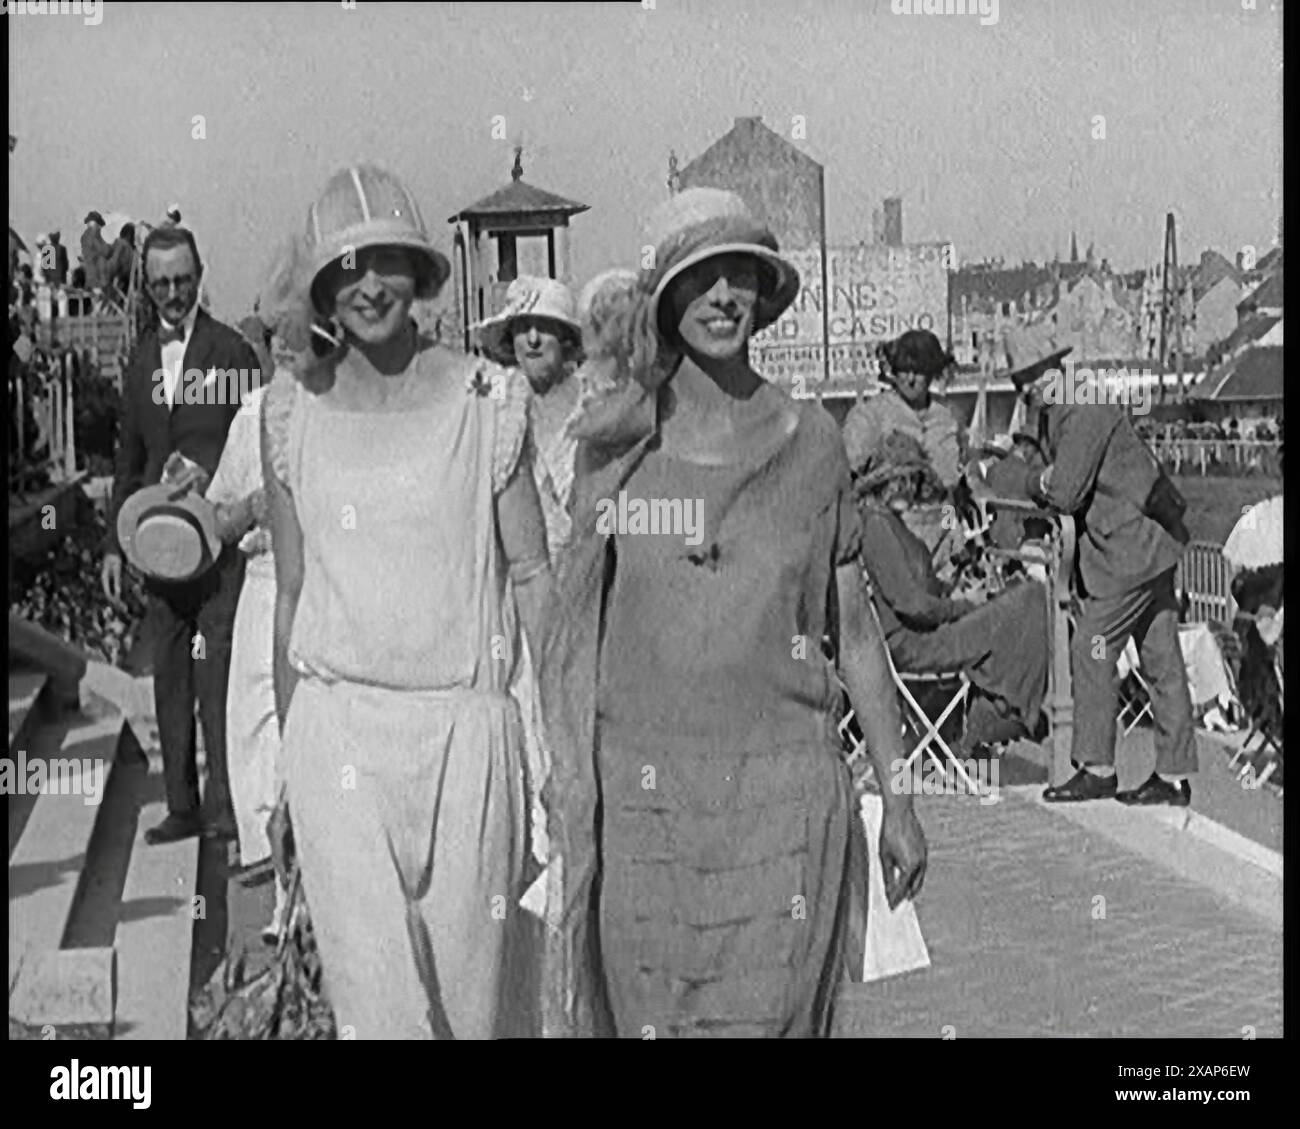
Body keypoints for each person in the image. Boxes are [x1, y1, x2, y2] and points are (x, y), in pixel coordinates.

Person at [539, 187, 926, 1038]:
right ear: (666, 298)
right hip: (644, 810)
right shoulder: (615, 449)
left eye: (738, 276)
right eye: (698, 276)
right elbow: (571, 634)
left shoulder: (813, 444)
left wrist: (899, 797)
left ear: (761, 290)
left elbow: (854, 633)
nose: (722, 297)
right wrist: (564, 776)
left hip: (778, 807)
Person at [260, 164, 551, 1039]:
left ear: (420, 274)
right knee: (381, 1015)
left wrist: (565, 742)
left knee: (474, 1011)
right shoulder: (288, 413)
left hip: (467, 740)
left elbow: (533, 574)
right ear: (319, 286)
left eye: (386, 261)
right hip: (337, 737)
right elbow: (292, 593)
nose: (368, 286)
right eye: (345, 268)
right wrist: (284, 775)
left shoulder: (486, 400)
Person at [974, 323, 1197, 806]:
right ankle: (1175, 773)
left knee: (1091, 648)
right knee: (1161, 662)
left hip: (1125, 553)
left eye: (1030, 378)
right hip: (1152, 543)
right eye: (1020, 383)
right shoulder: (1073, 403)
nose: (1026, 390)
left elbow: (1064, 492)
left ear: (1053, 368)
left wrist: (1019, 476)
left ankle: (1097, 768)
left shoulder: (1080, 411)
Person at [101, 224, 260, 844]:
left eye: (182, 280)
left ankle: (225, 810)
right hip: (159, 548)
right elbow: (127, 456)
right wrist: (116, 544)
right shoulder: (141, 356)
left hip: (217, 548)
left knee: (217, 674)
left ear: (201, 276)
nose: (172, 292)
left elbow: (254, 446)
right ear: (148, 282)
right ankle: (181, 805)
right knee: (169, 672)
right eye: (161, 282)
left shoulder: (232, 353)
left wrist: (213, 479)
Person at [856, 431, 1049, 754]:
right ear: (885, 484)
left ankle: (1002, 704)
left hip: (923, 633)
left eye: (913, 480)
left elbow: (919, 594)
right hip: (917, 644)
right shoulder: (878, 526)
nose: (910, 488)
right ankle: (1001, 708)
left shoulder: (888, 522)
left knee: (1019, 599)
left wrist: (957, 587)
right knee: (1028, 600)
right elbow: (912, 604)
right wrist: (963, 606)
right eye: (903, 480)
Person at [204, 377, 288, 938]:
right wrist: (252, 507)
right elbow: (216, 519)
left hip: (334, 586)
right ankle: (277, 882)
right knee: (256, 730)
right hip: (264, 585)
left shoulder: (349, 403)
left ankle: (307, 893)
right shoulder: (252, 413)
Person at [475, 275, 584, 557]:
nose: (533, 340)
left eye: (544, 328)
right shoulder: (495, 402)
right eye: (523, 329)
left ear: (565, 339)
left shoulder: (592, 400)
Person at [80, 211, 112, 293]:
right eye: (99, 225)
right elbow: (104, 250)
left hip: (97, 276)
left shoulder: (91, 235)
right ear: (95, 224)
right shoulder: (91, 235)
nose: (100, 228)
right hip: (96, 277)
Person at [105, 222, 136, 303]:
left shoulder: (121, 243)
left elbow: (113, 263)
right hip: (125, 282)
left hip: (116, 278)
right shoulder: (132, 250)